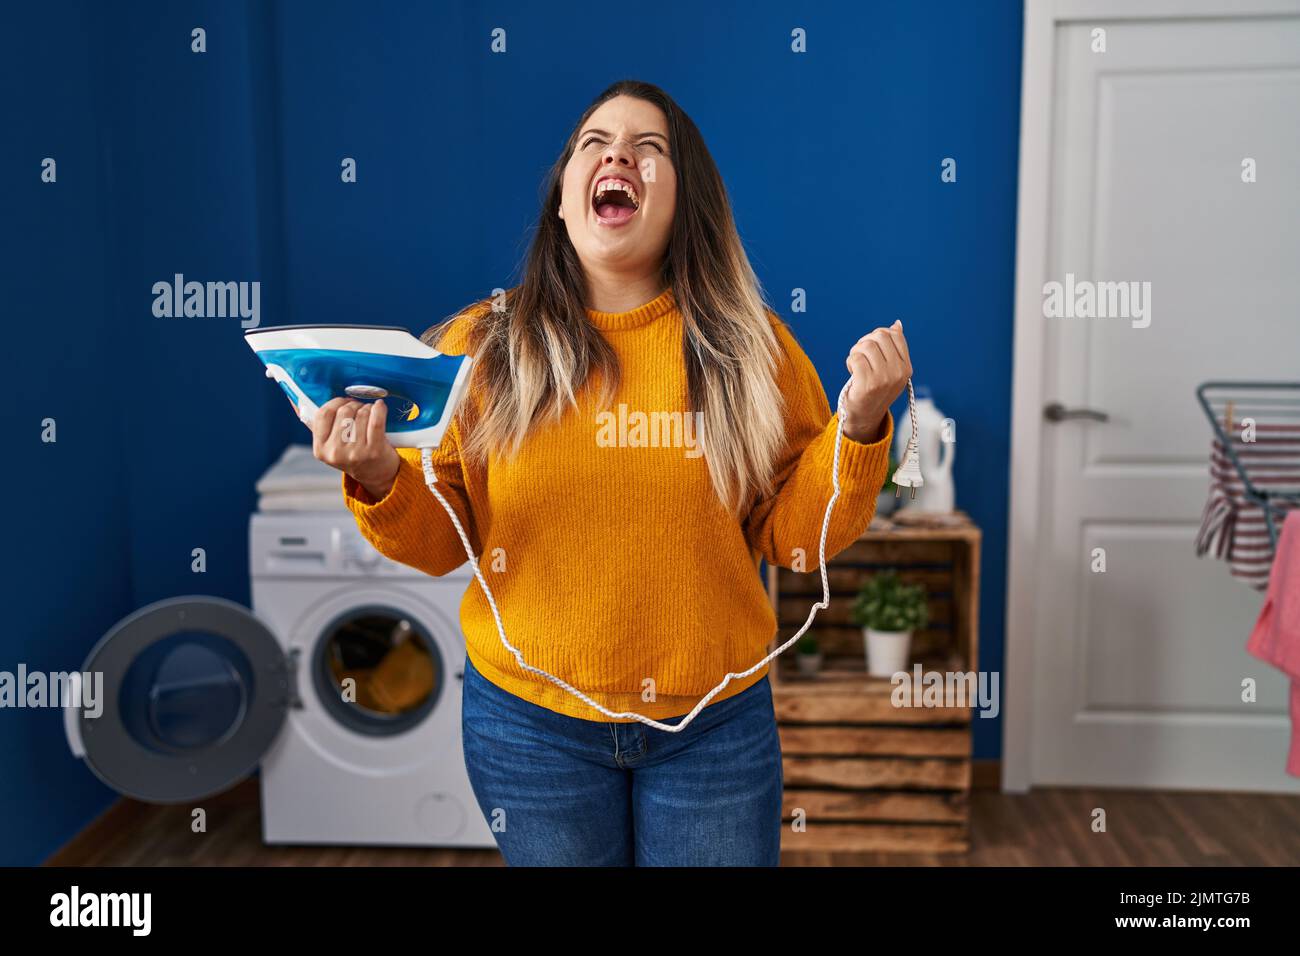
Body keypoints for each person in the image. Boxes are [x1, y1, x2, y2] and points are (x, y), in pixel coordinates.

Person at [313, 80, 912, 866]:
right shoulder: (481, 345)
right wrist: (379, 473)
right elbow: (442, 544)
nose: (617, 155)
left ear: (683, 202)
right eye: (593, 144)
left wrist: (859, 427)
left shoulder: (754, 350)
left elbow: (796, 541)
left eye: (648, 148)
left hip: (713, 731)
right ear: (564, 200)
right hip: (527, 731)